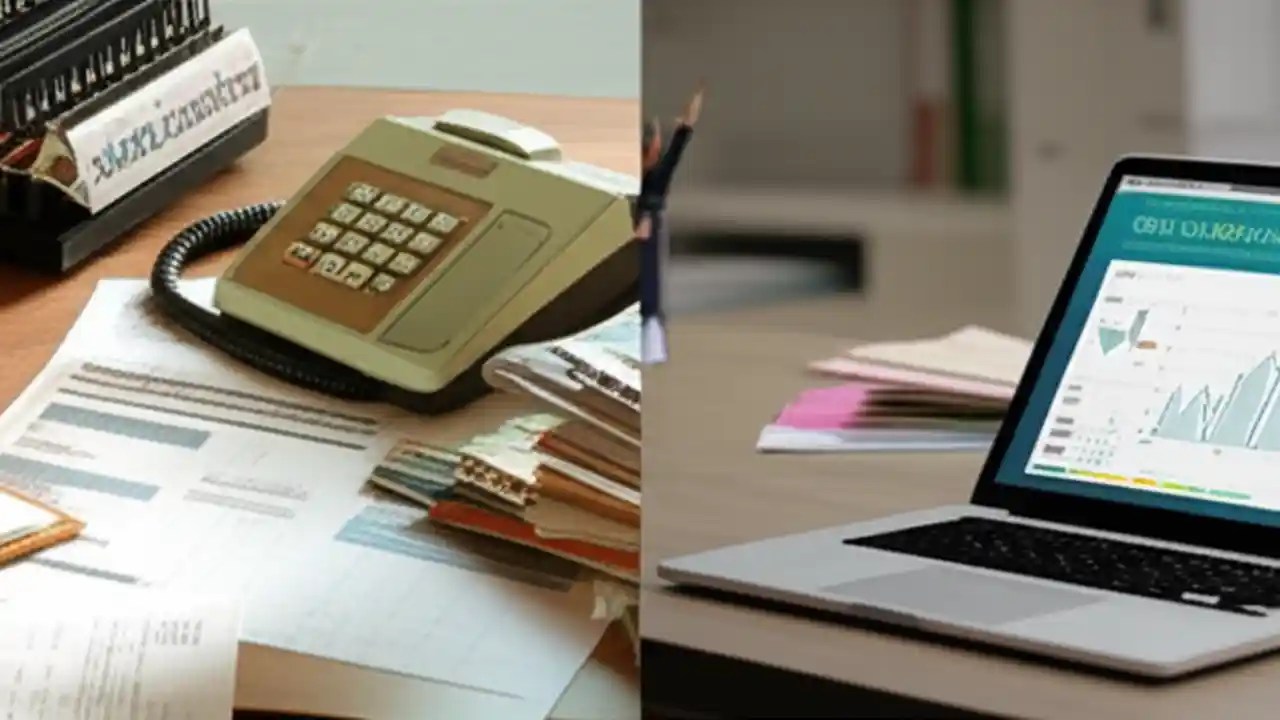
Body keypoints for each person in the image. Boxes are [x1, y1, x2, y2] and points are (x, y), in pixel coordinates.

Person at [635, 84, 703, 364]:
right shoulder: (648, 179)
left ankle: (650, 338)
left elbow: (682, 134)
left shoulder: (655, 178)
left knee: (648, 288)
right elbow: (681, 135)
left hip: (647, 228)